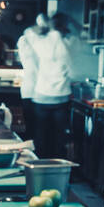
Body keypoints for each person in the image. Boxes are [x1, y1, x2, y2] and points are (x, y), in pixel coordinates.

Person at [26, 14, 72, 159]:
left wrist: (43, 25)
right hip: (62, 98)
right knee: (59, 138)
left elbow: (28, 31)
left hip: (42, 96)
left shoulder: (41, 41)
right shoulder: (68, 42)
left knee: (41, 137)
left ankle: (40, 167)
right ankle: (59, 169)